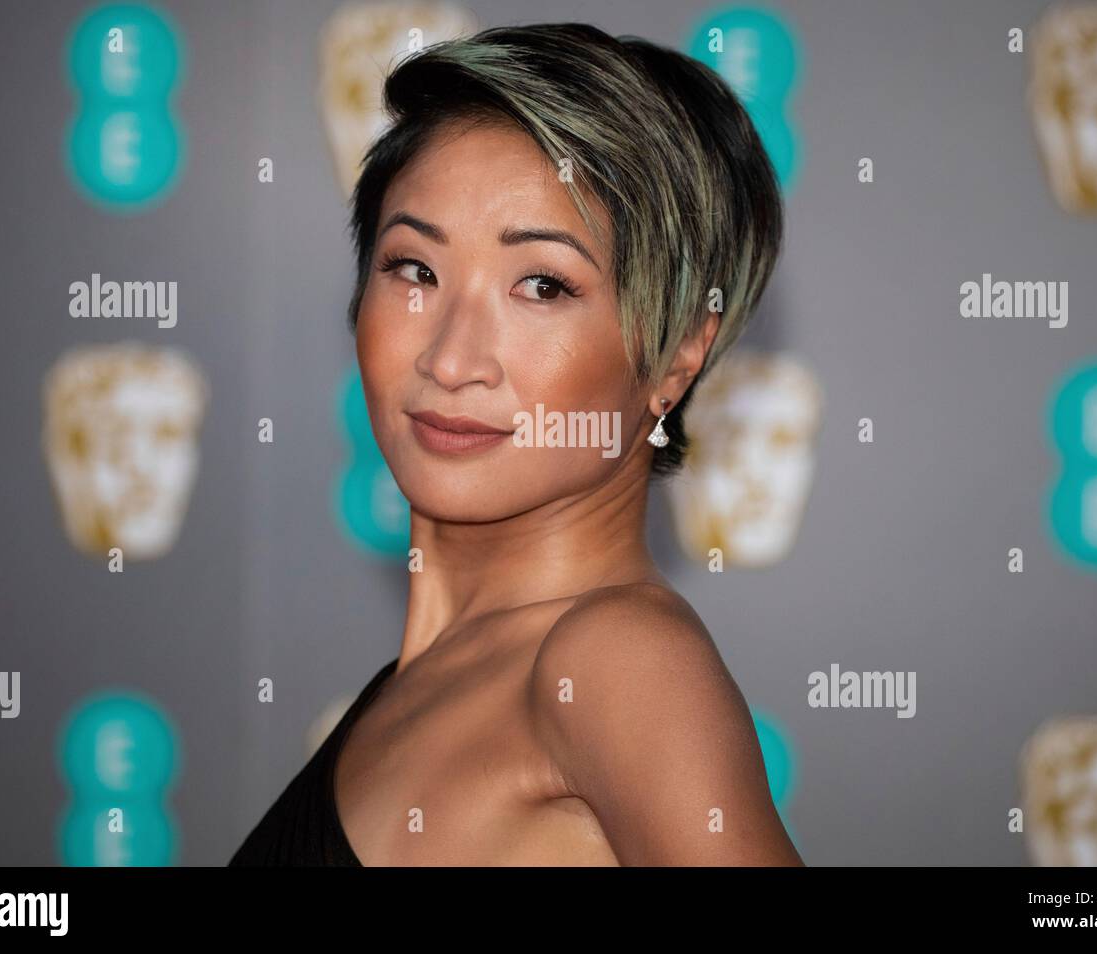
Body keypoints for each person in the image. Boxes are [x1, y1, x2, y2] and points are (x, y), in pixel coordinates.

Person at [232, 21, 803, 867]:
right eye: (414, 270)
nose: (451, 358)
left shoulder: (615, 662)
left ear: (679, 352)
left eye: (542, 285)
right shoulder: (435, 675)